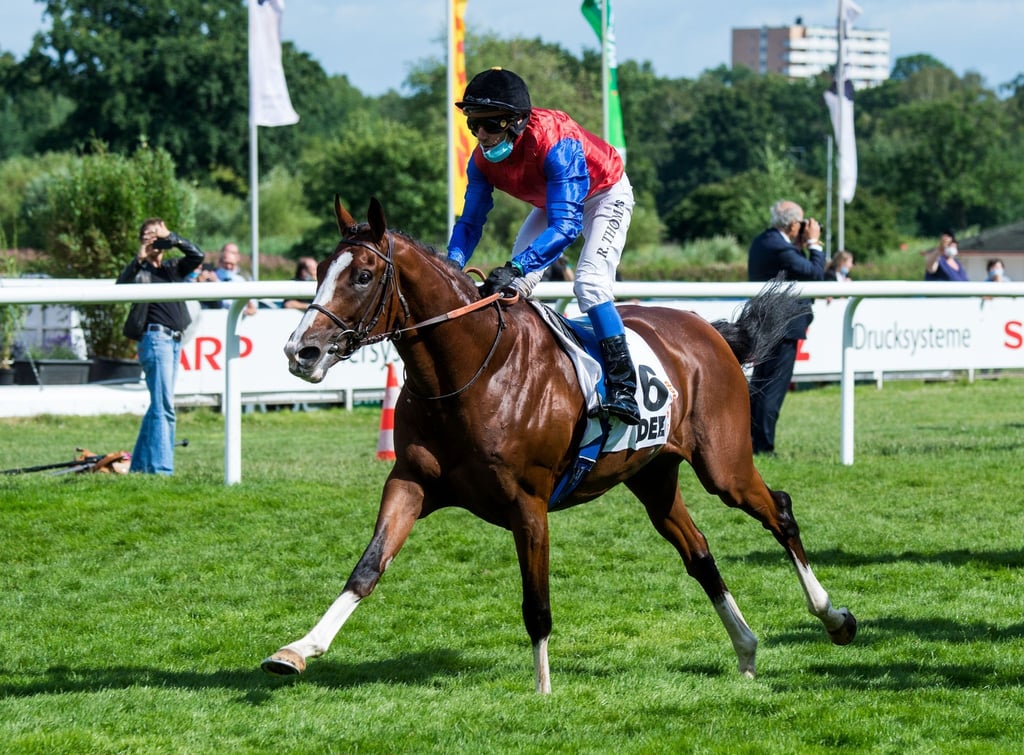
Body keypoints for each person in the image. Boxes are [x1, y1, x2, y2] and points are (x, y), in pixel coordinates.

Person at [447, 67, 640, 424]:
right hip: (553, 203)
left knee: (590, 283)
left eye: (490, 124)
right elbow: (470, 222)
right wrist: (451, 264)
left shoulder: (555, 141)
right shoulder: (480, 162)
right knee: (514, 291)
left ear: (517, 122)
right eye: (473, 125)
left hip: (604, 195)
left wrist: (518, 266)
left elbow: (566, 226)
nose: (481, 135)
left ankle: (625, 388)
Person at [117, 217, 205, 474]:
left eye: (158, 236)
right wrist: (139, 257)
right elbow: (120, 287)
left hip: (173, 341)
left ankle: (141, 466)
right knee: (164, 406)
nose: (154, 241)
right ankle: (160, 469)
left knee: (159, 404)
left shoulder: (172, 268)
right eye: (148, 236)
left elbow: (197, 255)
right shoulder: (140, 271)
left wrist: (173, 237)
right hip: (155, 340)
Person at [747, 200, 826, 455]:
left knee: (760, 385)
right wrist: (814, 244)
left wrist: (800, 246)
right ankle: (764, 447)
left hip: (768, 323)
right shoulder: (779, 247)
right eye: (802, 223)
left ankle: (753, 443)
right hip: (782, 326)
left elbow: (798, 273)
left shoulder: (766, 241)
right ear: (793, 224)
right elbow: (814, 273)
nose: (805, 227)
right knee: (772, 389)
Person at [204, 243, 257, 315]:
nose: (228, 266)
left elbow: (251, 302)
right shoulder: (213, 273)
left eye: (234, 253)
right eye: (226, 263)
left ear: (238, 257)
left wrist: (250, 308)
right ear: (220, 260)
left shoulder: (242, 278)